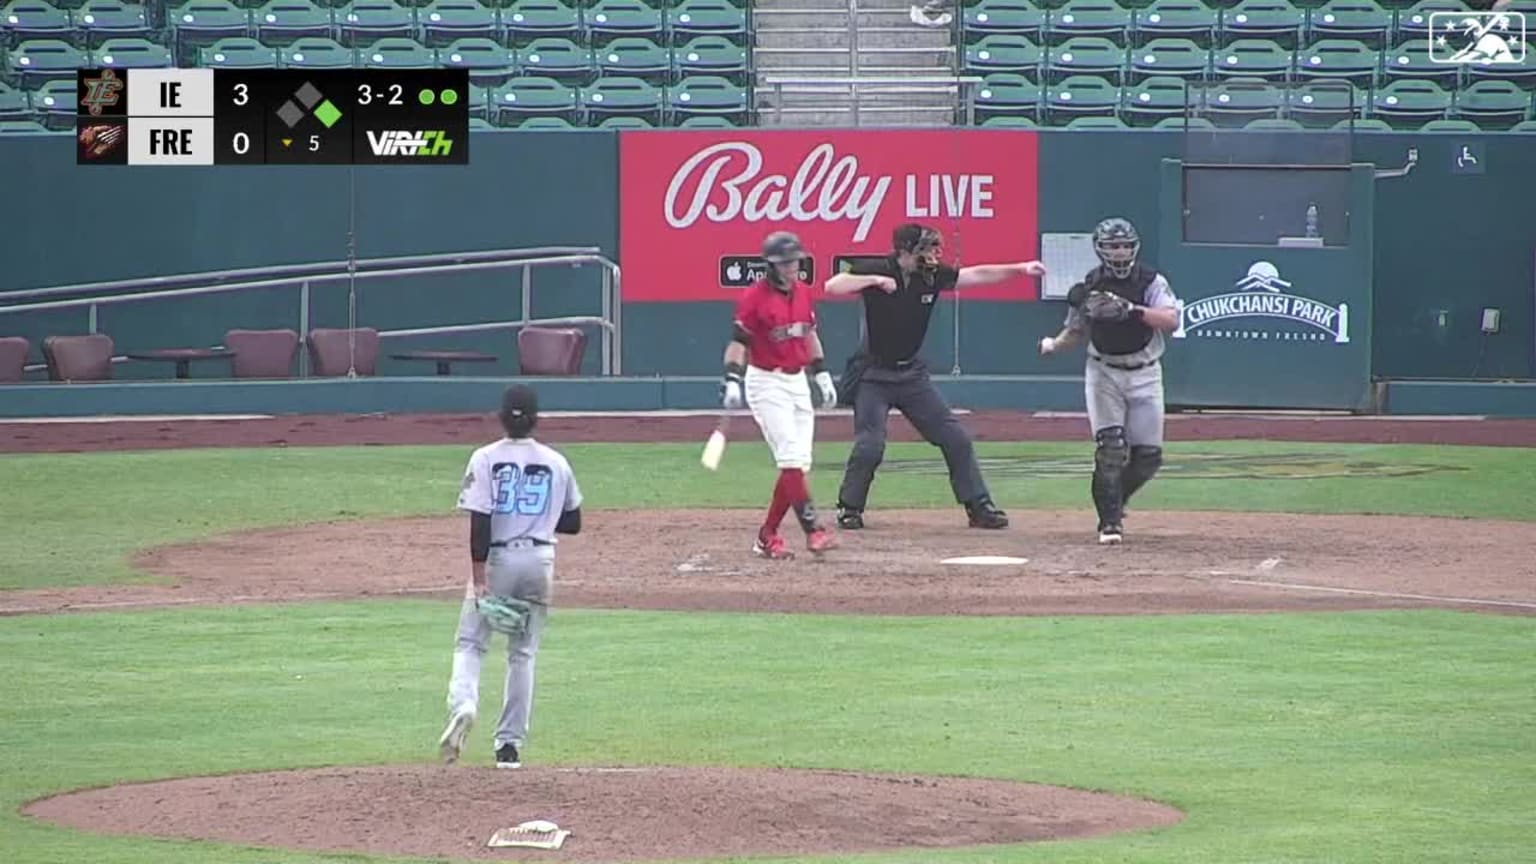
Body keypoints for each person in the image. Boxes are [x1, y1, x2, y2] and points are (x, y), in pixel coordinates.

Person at [825, 223, 1046, 531]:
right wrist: (875, 280)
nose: (933, 254)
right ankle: (849, 508)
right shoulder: (878, 268)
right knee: (870, 445)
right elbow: (833, 285)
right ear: (905, 251)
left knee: (956, 438)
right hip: (873, 375)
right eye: (926, 249)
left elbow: (977, 275)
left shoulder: (931, 275)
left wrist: (1020, 269)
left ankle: (979, 506)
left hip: (911, 375)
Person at [438, 383, 583, 769]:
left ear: (501, 417)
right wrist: (539, 518)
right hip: (539, 561)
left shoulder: (485, 458)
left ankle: (464, 704)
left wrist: (479, 577)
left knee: (471, 642)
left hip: (500, 559)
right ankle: (508, 746)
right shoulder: (556, 461)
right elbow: (574, 521)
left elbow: (480, 523)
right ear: (536, 420)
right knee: (523, 653)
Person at [1038, 217, 1181, 544]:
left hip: (1145, 371)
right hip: (1104, 372)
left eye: (1125, 246)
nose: (1120, 252)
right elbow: (1076, 331)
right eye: (1113, 246)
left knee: (1148, 458)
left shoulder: (1150, 280)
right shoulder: (1090, 285)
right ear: (1100, 249)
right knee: (1111, 448)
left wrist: (1131, 310)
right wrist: (1054, 345)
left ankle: (1116, 499)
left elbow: (1171, 320)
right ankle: (1109, 522)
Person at [721, 230, 840, 560]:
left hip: (797, 381)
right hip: (766, 382)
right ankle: (814, 530)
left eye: (795, 261)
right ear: (771, 265)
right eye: (785, 263)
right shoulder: (753, 298)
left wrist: (821, 374)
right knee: (789, 457)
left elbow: (809, 335)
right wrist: (732, 379)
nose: (792, 267)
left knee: (798, 464)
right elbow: (737, 342)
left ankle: (767, 535)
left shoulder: (803, 292)